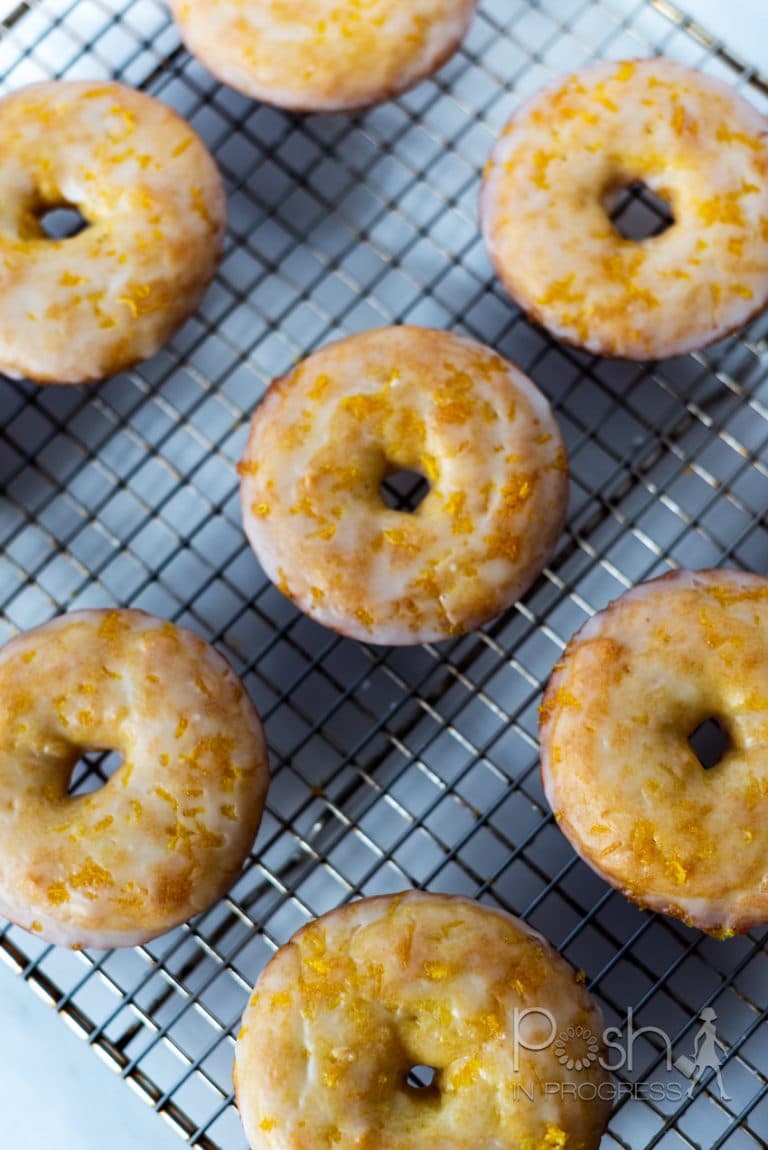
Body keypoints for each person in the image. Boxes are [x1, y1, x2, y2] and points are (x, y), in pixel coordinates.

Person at [687, 1008, 731, 1101]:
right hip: (706, 1050)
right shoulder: (706, 1026)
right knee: (705, 1072)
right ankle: (690, 1090)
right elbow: (697, 1038)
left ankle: (722, 1093)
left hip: (710, 1050)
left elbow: (714, 1039)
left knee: (712, 1072)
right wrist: (695, 1052)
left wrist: (723, 1049)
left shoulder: (712, 1027)